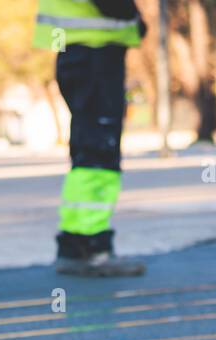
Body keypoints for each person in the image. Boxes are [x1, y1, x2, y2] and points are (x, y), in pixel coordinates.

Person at [34, 1, 147, 277]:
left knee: (88, 149)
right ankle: (94, 248)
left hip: (80, 51)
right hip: (94, 52)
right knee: (99, 151)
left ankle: (75, 244)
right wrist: (133, 16)